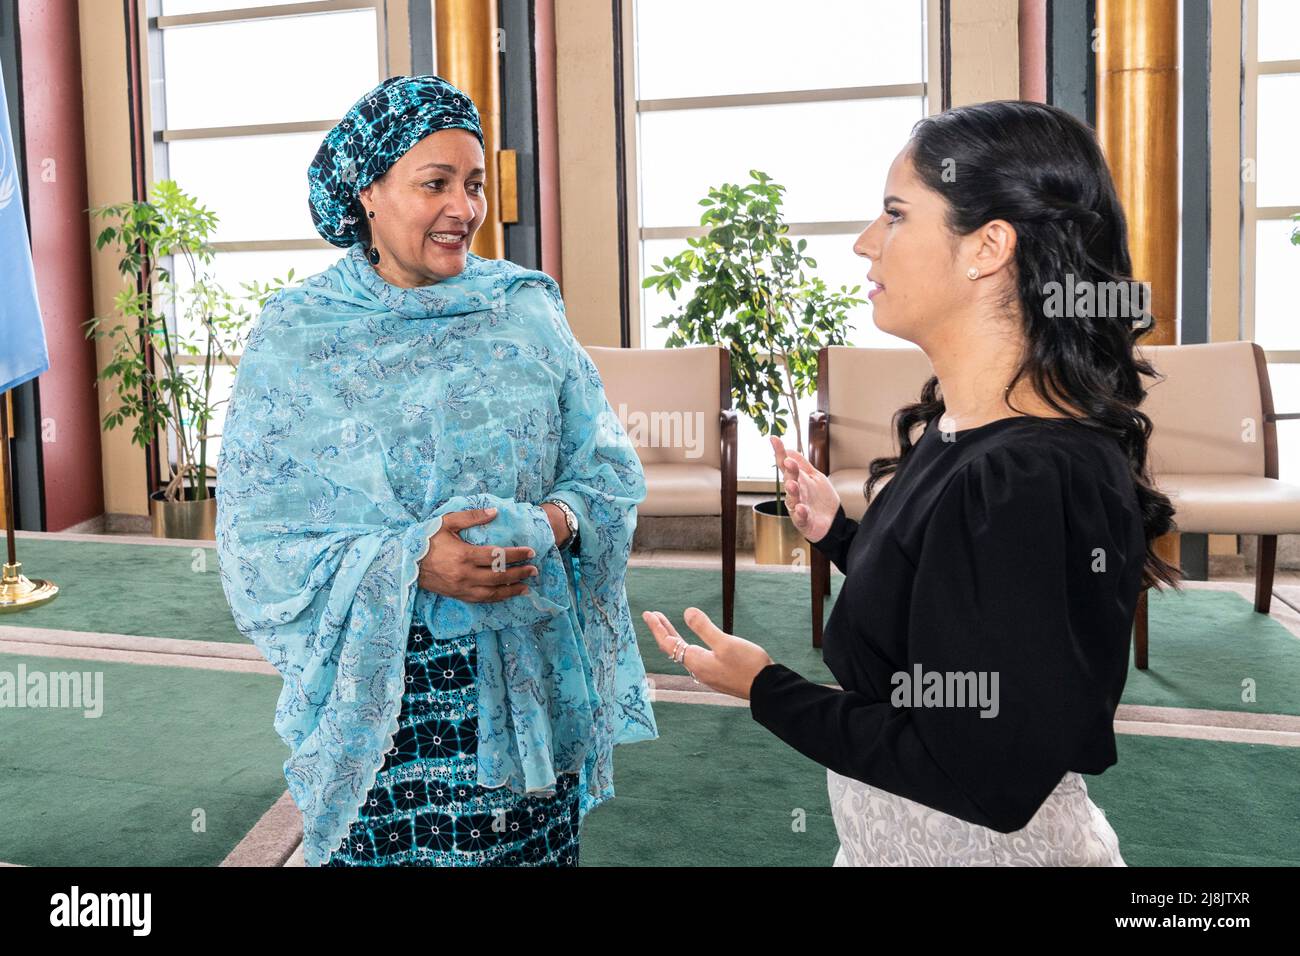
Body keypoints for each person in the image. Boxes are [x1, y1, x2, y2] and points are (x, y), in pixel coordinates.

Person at [643, 100, 1182, 866]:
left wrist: (765, 687)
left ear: (988, 246)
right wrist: (838, 534)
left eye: (895, 216)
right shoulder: (966, 431)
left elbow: (979, 775)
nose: (866, 244)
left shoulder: (1021, 474)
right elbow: (947, 602)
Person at [215, 74, 657, 868]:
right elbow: (260, 543)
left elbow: (607, 471)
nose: (465, 208)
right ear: (369, 194)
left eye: (475, 183)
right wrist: (413, 559)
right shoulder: (300, 336)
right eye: (436, 183)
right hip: (391, 700)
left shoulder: (524, 307)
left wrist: (550, 524)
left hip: (529, 678)